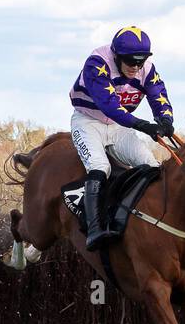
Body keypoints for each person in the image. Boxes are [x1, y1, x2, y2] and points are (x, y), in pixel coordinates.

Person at [69, 26, 175, 250]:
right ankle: (94, 230)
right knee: (99, 167)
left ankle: (138, 219)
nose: (136, 68)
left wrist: (165, 120)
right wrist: (144, 125)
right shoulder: (96, 63)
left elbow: (159, 95)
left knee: (151, 166)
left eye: (141, 61)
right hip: (88, 121)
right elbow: (110, 106)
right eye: (130, 62)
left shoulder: (146, 69)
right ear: (116, 55)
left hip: (118, 126)